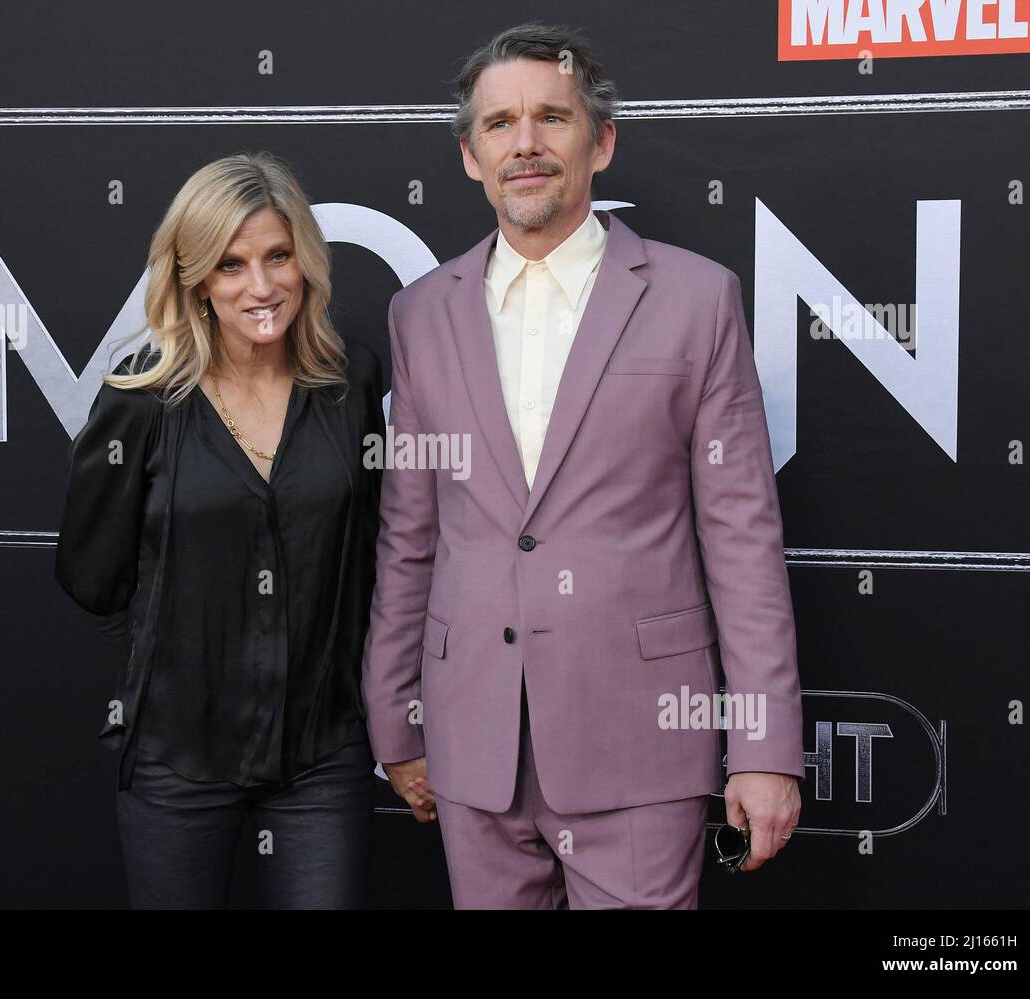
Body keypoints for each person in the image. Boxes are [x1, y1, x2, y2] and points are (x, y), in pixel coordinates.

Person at [362, 22, 805, 909]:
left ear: (600, 142)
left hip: (639, 739)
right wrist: (394, 716)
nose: (525, 144)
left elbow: (742, 539)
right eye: (499, 125)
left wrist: (761, 748)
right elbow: (410, 533)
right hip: (471, 742)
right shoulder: (420, 315)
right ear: (469, 155)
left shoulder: (696, 298)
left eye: (552, 118)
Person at [55, 151, 385, 909]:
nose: (261, 287)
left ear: (306, 257)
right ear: (195, 277)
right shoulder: (142, 398)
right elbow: (92, 574)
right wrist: (175, 661)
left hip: (321, 754)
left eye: (278, 256)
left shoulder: (350, 386)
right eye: (231, 265)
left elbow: (372, 561)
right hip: (180, 758)